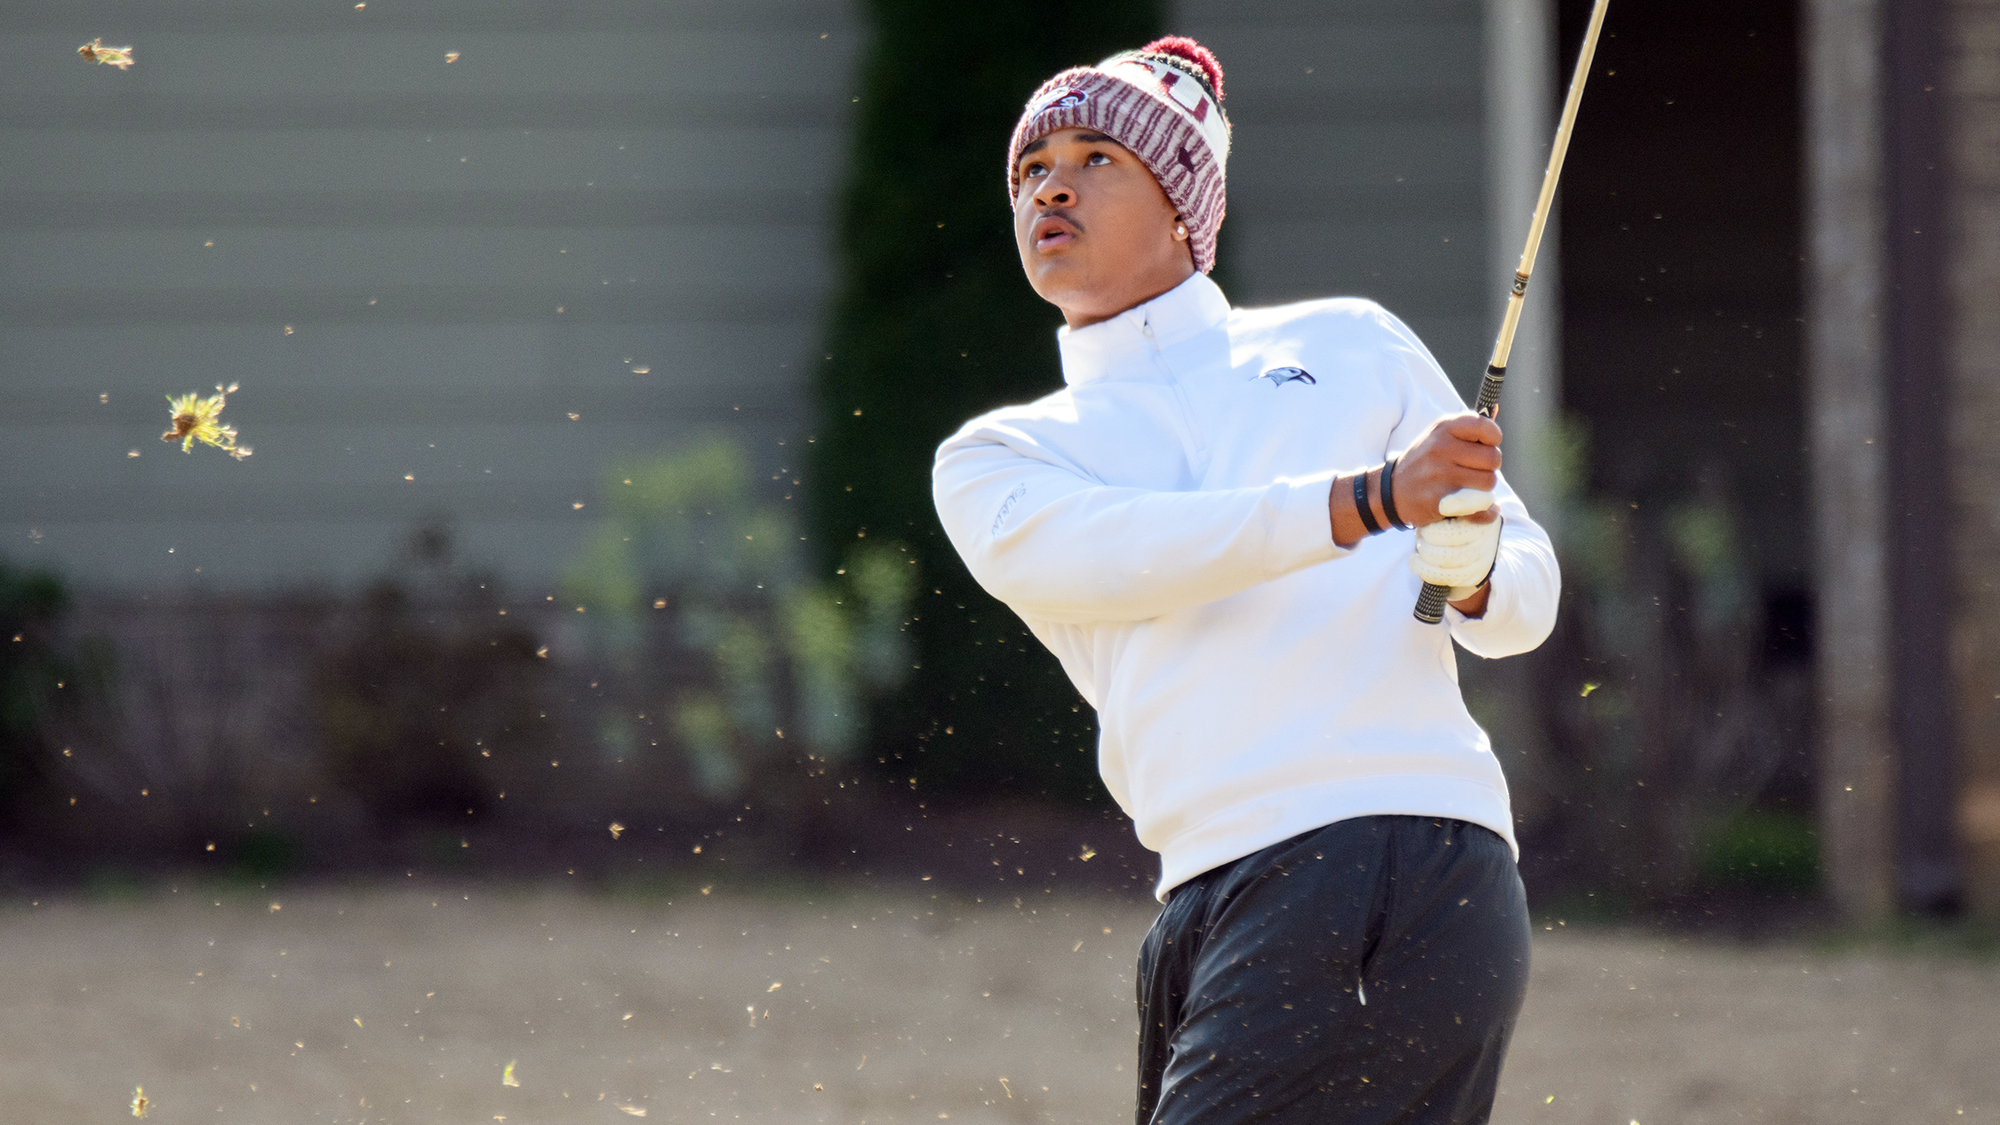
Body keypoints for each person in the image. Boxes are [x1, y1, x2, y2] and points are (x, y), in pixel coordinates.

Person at [930, 37, 1561, 1125]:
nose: (1051, 187)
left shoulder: (1352, 343)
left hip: (1407, 854)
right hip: (1205, 891)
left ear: (1184, 206)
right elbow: (1136, 552)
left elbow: (1524, 603)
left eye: (1096, 158)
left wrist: (1473, 574)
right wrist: (1370, 500)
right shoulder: (998, 454)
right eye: (1032, 169)